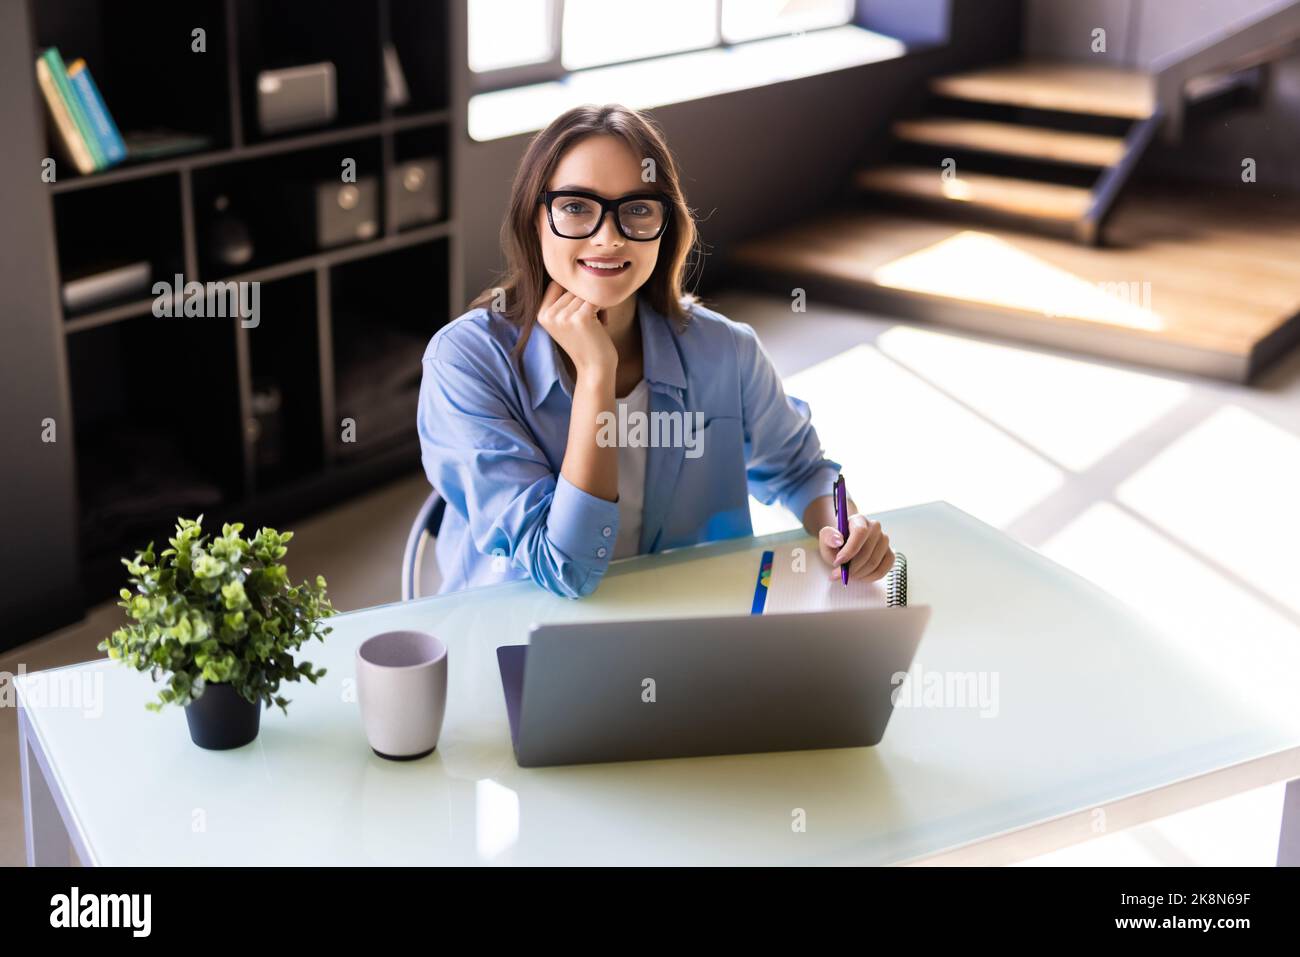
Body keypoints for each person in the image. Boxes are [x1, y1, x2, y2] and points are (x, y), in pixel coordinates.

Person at [417, 104, 892, 598]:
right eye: (576, 206)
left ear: (664, 228)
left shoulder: (725, 349)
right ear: (534, 219)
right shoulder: (464, 362)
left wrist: (845, 524)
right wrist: (597, 374)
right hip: (520, 641)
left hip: (692, 629)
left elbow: (801, 470)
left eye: (637, 209)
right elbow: (565, 569)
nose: (608, 237)